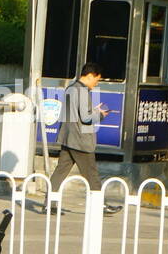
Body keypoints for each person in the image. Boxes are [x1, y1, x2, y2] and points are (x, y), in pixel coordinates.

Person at [48, 62, 121, 215]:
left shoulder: (71, 88)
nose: (97, 83)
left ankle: (50, 204)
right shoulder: (82, 91)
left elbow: (75, 113)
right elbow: (86, 118)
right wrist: (100, 114)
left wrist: (93, 110)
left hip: (68, 137)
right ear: (89, 76)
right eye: (97, 79)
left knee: (60, 171)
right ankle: (99, 206)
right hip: (80, 140)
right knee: (92, 174)